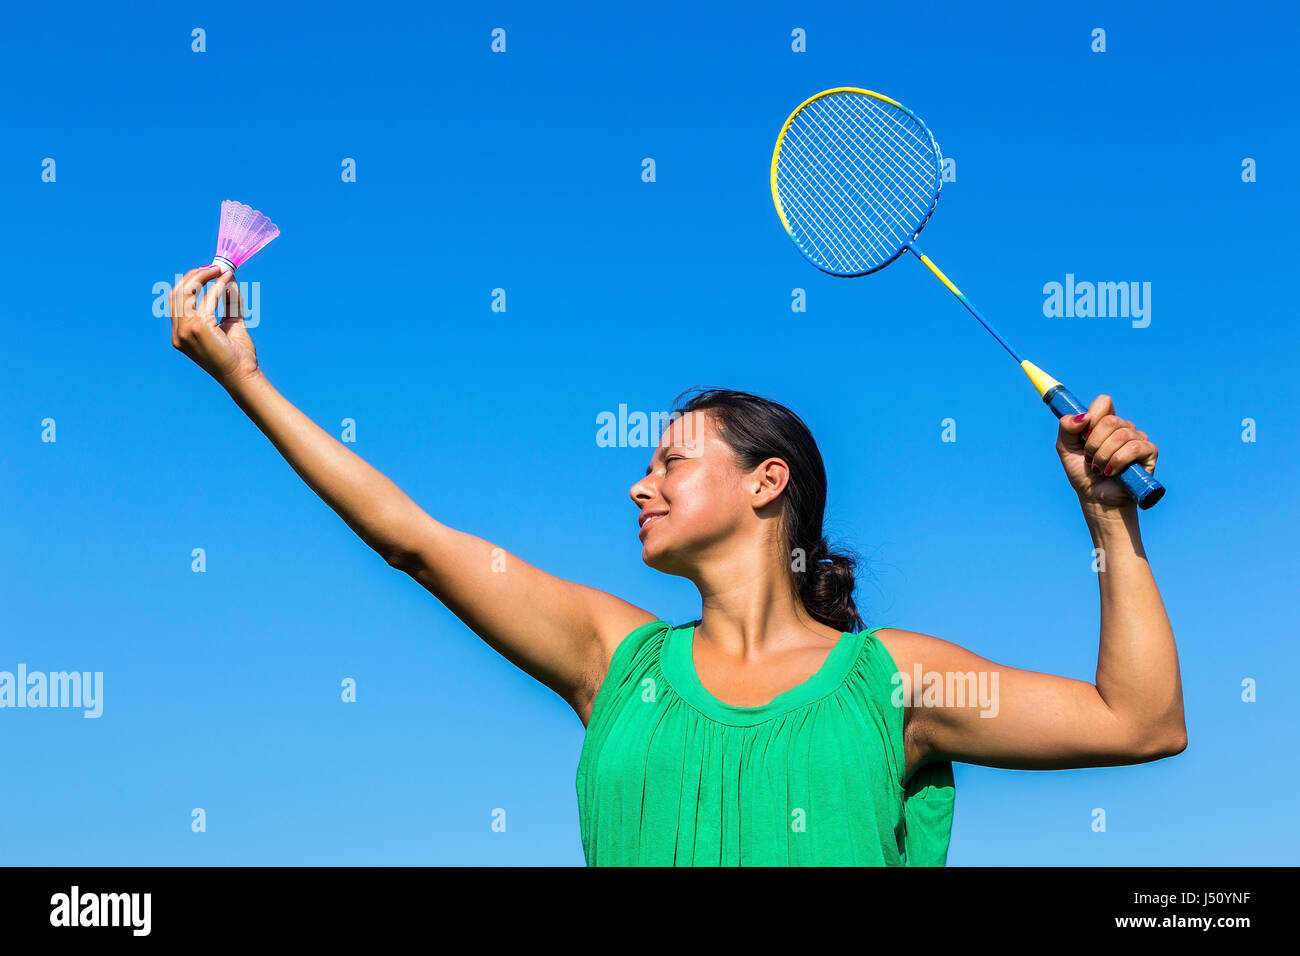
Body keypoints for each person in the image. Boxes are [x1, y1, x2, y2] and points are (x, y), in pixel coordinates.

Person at [169, 265, 1186, 866]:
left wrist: (1107, 517)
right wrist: (246, 383)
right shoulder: (616, 661)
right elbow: (415, 540)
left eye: (669, 460)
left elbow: (1138, 721)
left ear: (764, 482)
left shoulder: (893, 681)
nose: (637, 485)